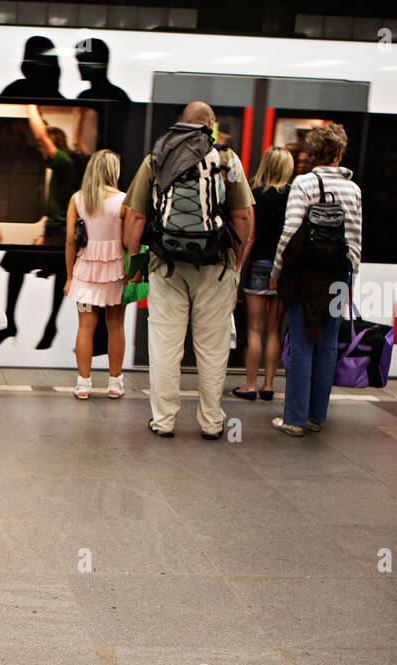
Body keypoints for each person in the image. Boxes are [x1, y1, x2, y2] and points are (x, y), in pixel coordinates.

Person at [123, 101, 255, 439]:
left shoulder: (156, 158)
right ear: (209, 124)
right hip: (216, 267)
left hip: (165, 265)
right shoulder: (226, 159)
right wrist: (236, 264)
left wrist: (135, 265)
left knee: (166, 346)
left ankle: (164, 421)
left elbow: (135, 217)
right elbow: (243, 217)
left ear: (181, 123)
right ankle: (211, 423)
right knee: (211, 348)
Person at [269, 122, 362, 437]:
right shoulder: (354, 189)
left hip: (307, 276)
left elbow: (290, 231)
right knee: (328, 344)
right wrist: (351, 278)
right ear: (338, 154)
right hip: (339, 275)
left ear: (313, 154)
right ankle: (315, 416)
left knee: (301, 342)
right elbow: (356, 239)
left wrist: (277, 272)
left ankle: (294, 418)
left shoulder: (304, 184)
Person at [0, 104, 85, 349]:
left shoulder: (64, 164)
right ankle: (43, 325)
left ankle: (39, 324)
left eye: (42, 147)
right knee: (20, 261)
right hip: (55, 233)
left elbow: (42, 135)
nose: (39, 150)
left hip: (63, 235)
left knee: (19, 259)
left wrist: (30, 106)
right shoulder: (63, 167)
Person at [64, 149, 128, 399]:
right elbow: (130, 240)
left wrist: (69, 277)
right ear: (114, 170)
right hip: (115, 270)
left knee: (85, 326)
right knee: (115, 326)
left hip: (85, 270)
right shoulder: (125, 200)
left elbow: (71, 240)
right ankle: (114, 383)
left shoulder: (78, 199)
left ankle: (83, 384)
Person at [232, 146, 293, 402]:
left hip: (258, 264)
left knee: (254, 330)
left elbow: (250, 236)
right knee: (274, 330)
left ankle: (249, 385)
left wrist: (238, 268)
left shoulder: (254, 194)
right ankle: (269, 385)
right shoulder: (292, 196)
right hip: (283, 268)